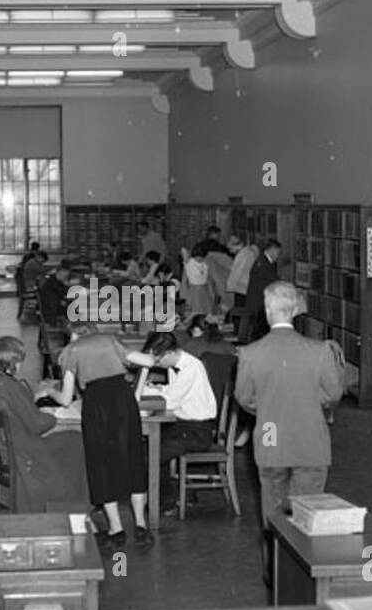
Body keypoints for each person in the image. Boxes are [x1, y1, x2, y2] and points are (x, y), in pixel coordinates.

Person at [235, 282, 345, 573]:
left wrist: (271, 408)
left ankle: (275, 573)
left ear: (269, 311)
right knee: (309, 515)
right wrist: (307, 402)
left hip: (271, 436)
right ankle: (305, 576)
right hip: (310, 439)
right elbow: (334, 393)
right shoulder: (320, 351)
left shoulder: (250, 353)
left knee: (273, 512)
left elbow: (245, 399)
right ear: (295, 311)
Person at [43, 321, 149, 543]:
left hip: (96, 404)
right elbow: (147, 361)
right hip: (124, 398)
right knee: (133, 457)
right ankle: (140, 525)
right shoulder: (110, 341)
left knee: (100, 462)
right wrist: (137, 388)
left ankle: (116, 529)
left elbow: (65, 399)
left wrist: (50, 390)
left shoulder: (71, 351)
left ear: (73, 334)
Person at [0, 337, 89, 511]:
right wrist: (53, 416)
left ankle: (73, 507)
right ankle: (74, 507)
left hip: (8, 452)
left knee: (72, 441)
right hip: (26, 451)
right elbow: (37, 424)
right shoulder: (10, 386)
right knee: (78, 441)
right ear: (14, 362)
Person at [132, 331, 218, 510]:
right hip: (183, 424)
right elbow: (173, 392)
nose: (155, 363)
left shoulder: (191, 367)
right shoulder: (176, 365)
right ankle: (167, 495)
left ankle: (164, 501)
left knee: (153, 455)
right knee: (148, 447)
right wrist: (154, 388)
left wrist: (145, 391)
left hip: (197, 431)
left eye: (158, 359)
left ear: (170, 353)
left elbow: (170, 401)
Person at [242, 238, 282, 342]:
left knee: (260, 331)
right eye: (278, 252)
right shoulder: (262, 263)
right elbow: (270, 282)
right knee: (257, 333)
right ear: (272, 250)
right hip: (258, 304)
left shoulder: (267, 262)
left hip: (262, 303)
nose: (278, 255)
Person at [227, 236, 258, 331]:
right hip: (247, 287)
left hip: (241, 288)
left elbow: (236, 272)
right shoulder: (251, 252)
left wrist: (230, 286)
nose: (230, 251)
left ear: (238, 245)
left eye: (231, 248)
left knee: (240, 313)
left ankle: (239, 332)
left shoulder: (244, 255)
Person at [181, 244, 214, 317]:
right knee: (194, 312)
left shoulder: (205, 264)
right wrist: (184, 296)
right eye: (197, 257)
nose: (199, 259)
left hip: (204, 291)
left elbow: (209, 280)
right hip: (193, 291)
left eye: (201, 257)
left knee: (205, 312)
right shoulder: (189, 264)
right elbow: (184, 281)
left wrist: (211, 293)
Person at [39, 262, 72, 327]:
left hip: (52, 308)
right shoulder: (52, 285)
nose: (66, 278)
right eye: (66, 276)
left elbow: (62, 294)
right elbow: (56, 302)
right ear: (60, 273)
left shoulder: (53, 280)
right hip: (52, 313)